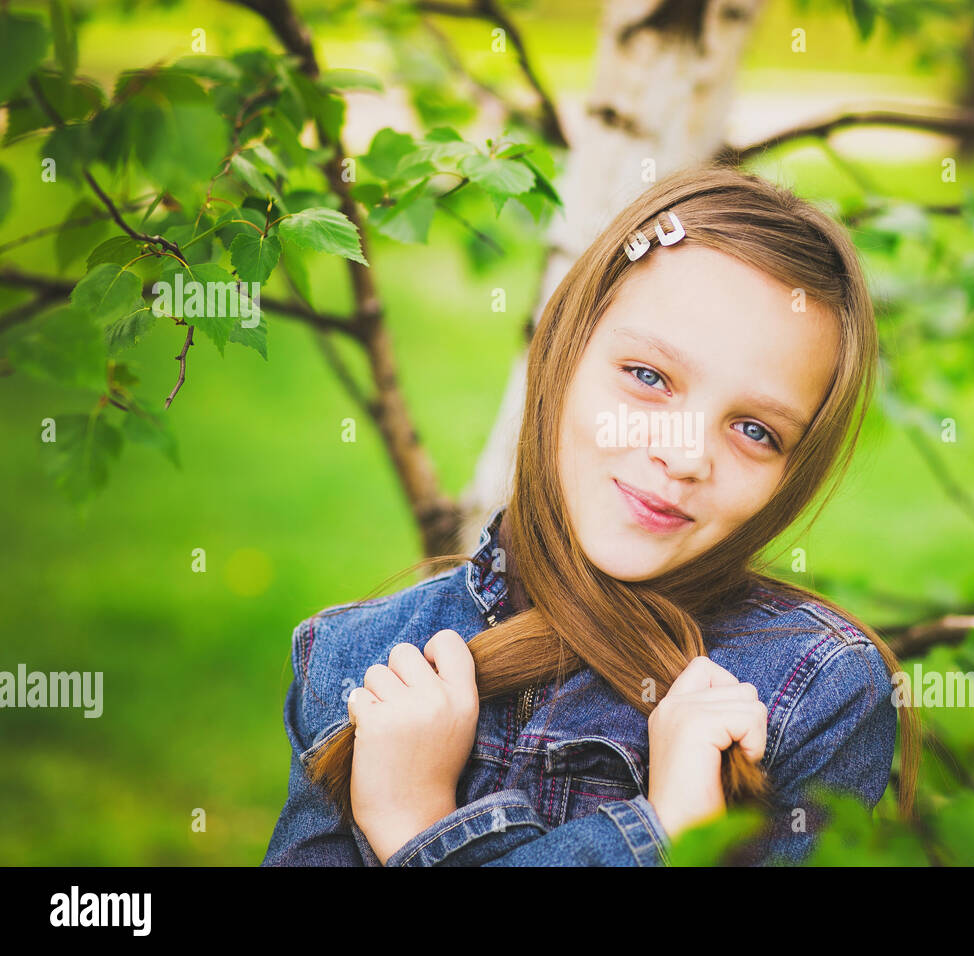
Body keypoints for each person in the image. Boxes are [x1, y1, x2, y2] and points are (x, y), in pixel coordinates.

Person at [263, 161, 919, 866]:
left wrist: (415, 823)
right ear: (562, 351)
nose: (686, 454)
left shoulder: (817, 698)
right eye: (649, 378)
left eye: (756, 431)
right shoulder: (360, 663)